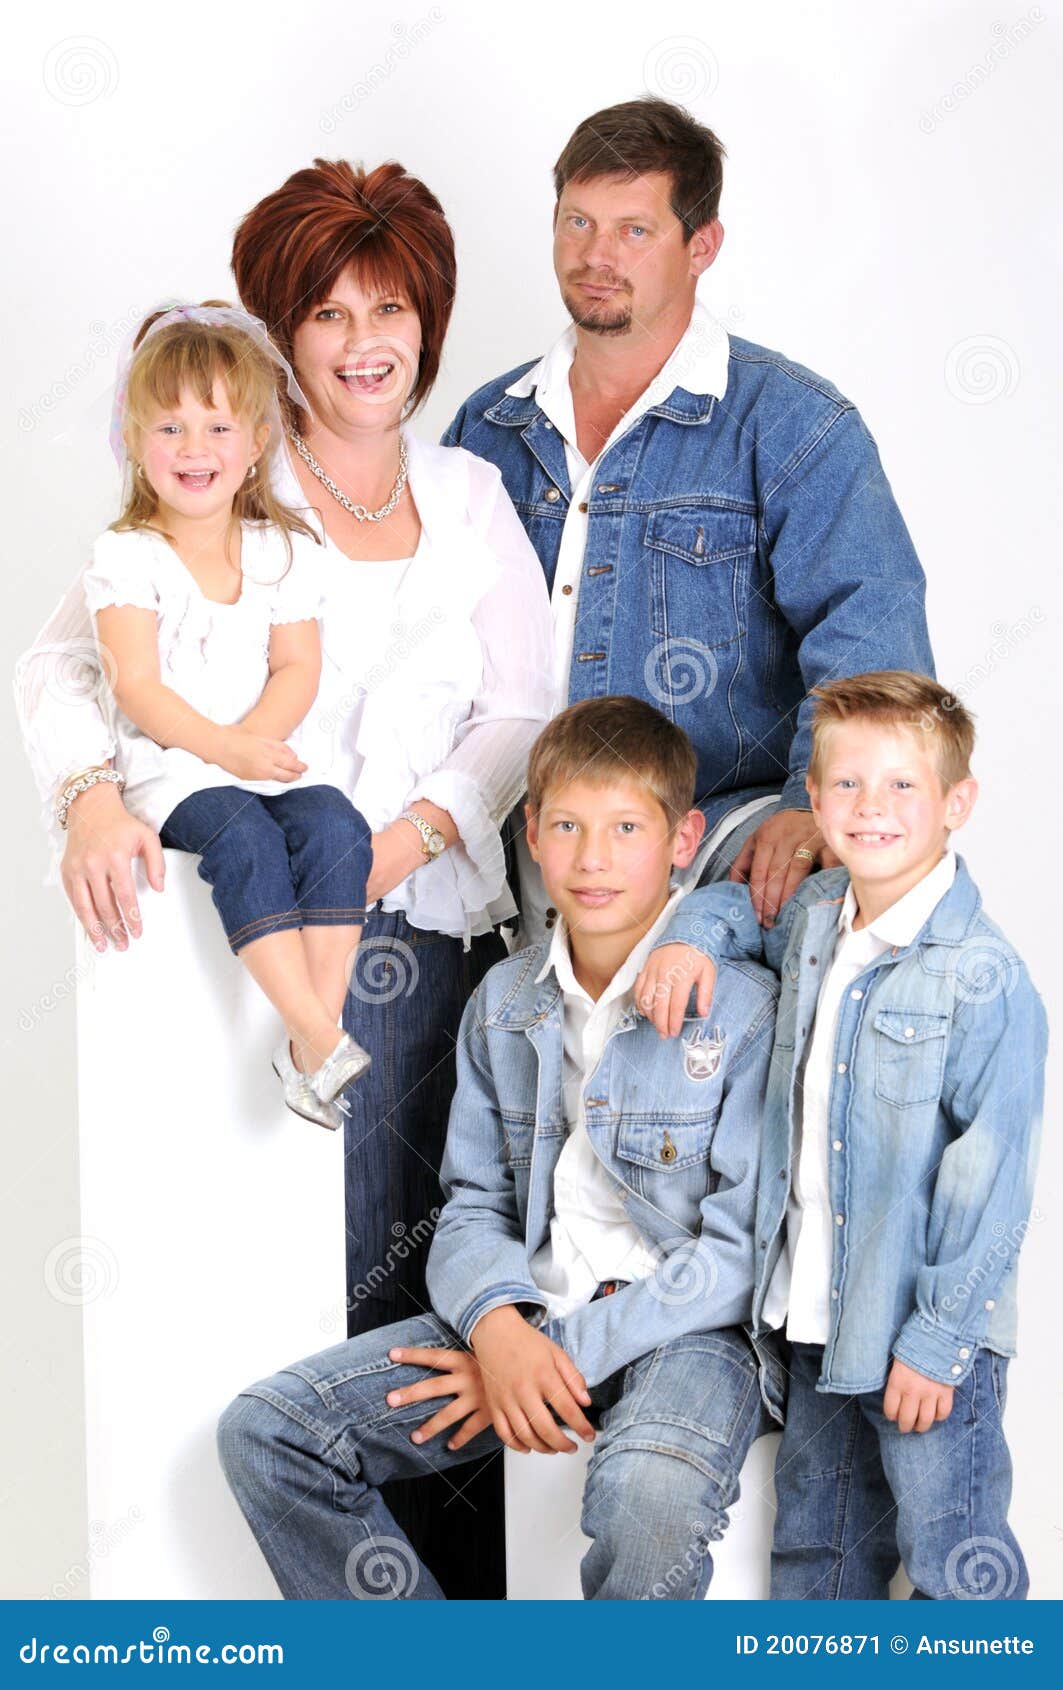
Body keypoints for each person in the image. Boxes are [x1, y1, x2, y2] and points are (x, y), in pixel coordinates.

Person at [14, 159, 554, 1598]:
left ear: (429, 321)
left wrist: (409, 835)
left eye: (391, 309)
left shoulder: (468, 494)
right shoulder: (222, 484)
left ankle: (451, 1621)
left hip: (428, 945)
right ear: (279, 333)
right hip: (236, 944)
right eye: (327, 313)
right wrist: (85, 797)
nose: (365, 342)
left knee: (432, 1295)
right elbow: (65, 663)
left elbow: (520, 708)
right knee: (275, 1294)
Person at [215, 694, 785, 1600]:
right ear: (531, 835)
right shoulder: (505, 1001)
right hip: (529, 1311)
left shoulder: (743, 1007)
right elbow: (474, 1203)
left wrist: (561, 1356)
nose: (591, 859)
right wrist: (498, 1330)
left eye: (625, 828)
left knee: (648, 1499)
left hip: (689, 1335)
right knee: (273, 1433)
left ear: (683, 840)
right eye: (566, 826)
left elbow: (741, 1253)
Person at [443, 97, 936, 942]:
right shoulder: (489, 427)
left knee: (830, 900)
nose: (596, 256)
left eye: (633, 230)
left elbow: (873, 641)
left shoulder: (790, 424)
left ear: (701, 245)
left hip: (715, 830)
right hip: (516, 831)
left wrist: (809, 805)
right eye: (577, 222)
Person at [636, 672, 1047, 1599]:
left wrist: (936, 1342)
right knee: (815, 1561)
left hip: (924, 1338)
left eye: (901, 784)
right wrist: (688, 934)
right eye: (848, 784)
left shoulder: (981, 976)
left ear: (955, 803)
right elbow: (742, 910)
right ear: (814, 802)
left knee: (955, 1565)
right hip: (814, 1322)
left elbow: (993, 1184)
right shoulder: (817, 918)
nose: (871, 807)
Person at [85, 300, 373, 1130]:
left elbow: (297, 666)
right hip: (172, 767)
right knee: (243, 837)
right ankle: (318, 1032)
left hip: (261, 753)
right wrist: (223, 751)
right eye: (169, 428)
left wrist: (253, 744)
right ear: (135, 442)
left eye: (217, 428)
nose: (194, 448)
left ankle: (309, 1046)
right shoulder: (128, 557)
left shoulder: (284, 551)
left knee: (337, 827)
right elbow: (137, 687)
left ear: (254, 447)